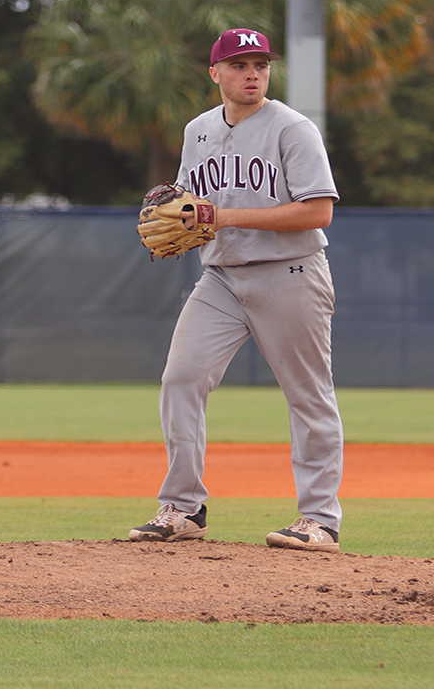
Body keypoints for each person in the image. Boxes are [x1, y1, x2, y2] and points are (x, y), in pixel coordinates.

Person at [128, 28, 345, 552]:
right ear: (216, 73)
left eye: (262, 64)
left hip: (290, 273)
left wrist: (221, 216)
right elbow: (189, 206)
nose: (253, 73)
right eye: (241, 64)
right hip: (221, 278)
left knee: (308, 396)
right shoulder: (197, 130)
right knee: (181, 377)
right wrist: (183, 225)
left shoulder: (293, 129)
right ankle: (184, 508)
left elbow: (319, 211)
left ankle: (320, 520)